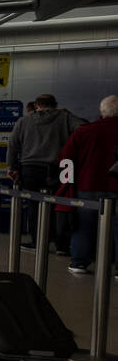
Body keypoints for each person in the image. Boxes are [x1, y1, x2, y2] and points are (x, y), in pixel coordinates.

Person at [8, 93, 86, 248]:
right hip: (59, 168)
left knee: (34, 205)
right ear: (55, 105)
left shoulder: (23, 120)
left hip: (30, 168)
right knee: (61, 205)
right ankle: (61, 245)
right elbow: (83, 127)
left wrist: (11, 166)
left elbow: (12, 144)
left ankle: (38, 242)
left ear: (37, 105)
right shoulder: (65, 117)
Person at [58, 94, 118, 276]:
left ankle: (79, 262)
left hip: (87, 186)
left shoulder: (84, 132)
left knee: (83, 227)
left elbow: (65, 160)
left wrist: (67, 185)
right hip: (117, 188)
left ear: (102, 111)